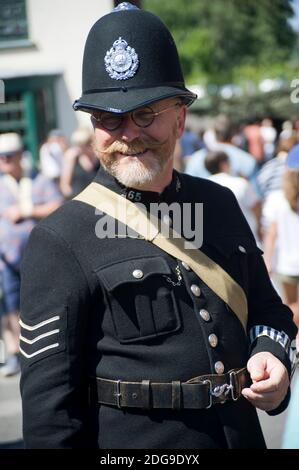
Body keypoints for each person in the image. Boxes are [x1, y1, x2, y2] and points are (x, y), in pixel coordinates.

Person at [20, 3, 297, 449]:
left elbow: (271, 312)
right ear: (93, 127)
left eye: (146, 114)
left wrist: (273, 354)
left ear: (181, 116)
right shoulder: (59, 238)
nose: (129, 133)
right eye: (109, 119)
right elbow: (50, 418)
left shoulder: (219, 204)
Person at [0, 132, 63, 377]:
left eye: (8, 156)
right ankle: (17, 355)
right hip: (6, 259)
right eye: (0, 157)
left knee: (42, 305)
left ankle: (42, 353)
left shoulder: (39, 180)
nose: (4, 161)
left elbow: (58, 204)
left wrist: (26, 210)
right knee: (11, 308)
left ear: (19, 156)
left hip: (39, 256)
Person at [263, 144, 299, 331]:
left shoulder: (277, 198)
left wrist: (268, 259)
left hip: (287, 262)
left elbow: (271, 234)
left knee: (291, 304)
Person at [204, 151, 262, 244]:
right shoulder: (240, 183)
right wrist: (259, 227)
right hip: (246, 241)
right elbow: (256, 207)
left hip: (215, 244)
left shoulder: (202, 188)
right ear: (223, 164)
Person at [60, 127, 100, 199]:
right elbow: (65, 186)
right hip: (78, 200)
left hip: (97, 200)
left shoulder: (99, 157)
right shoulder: (72, 157)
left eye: (87, 143)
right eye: (78, 144)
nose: (81, 147)